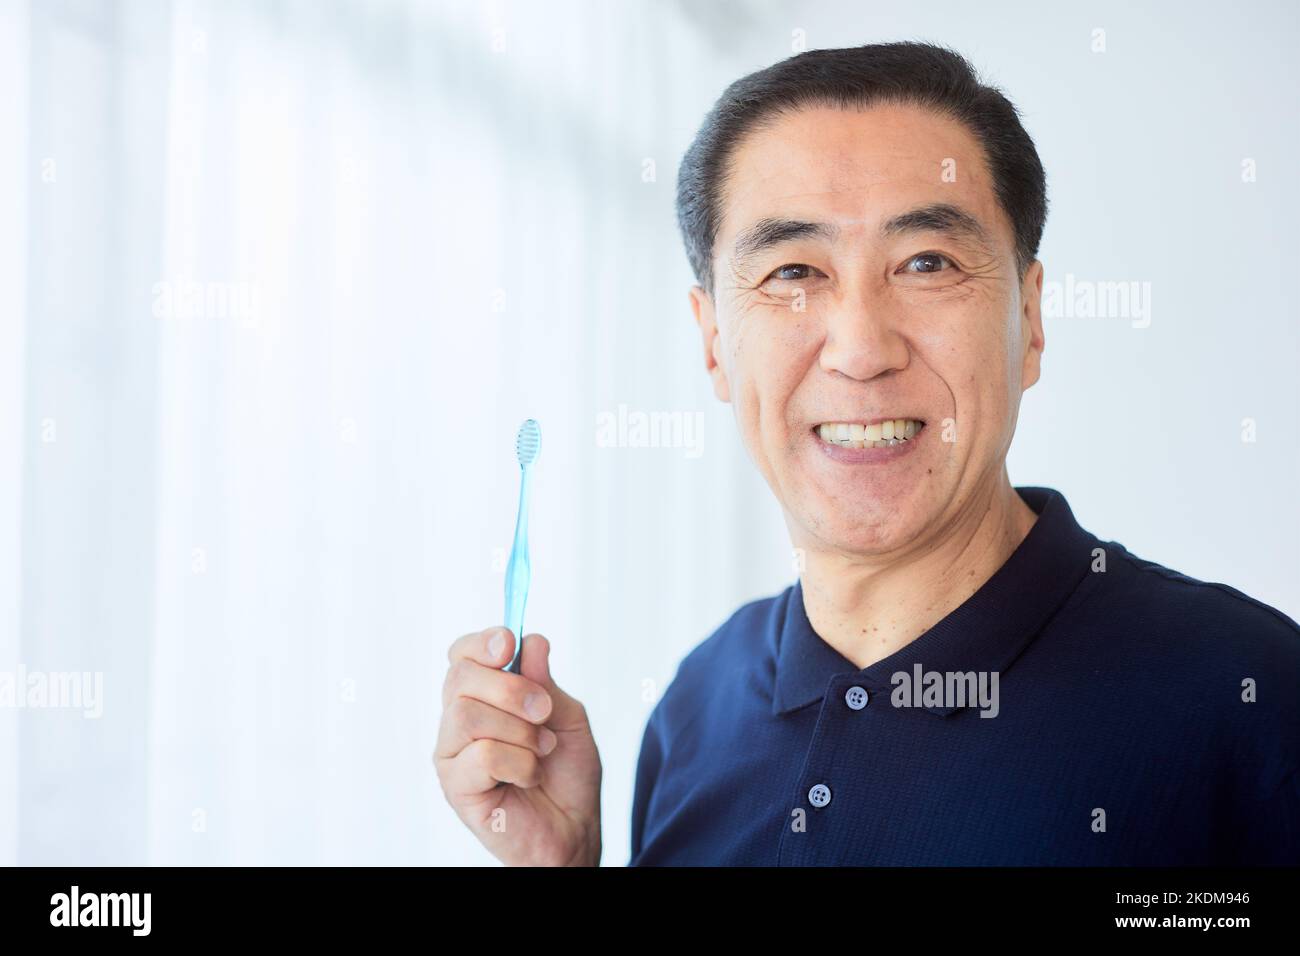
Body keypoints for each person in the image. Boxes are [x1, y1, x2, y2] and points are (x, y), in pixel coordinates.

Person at [434, 41, 1300, 866]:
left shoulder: (1248, 698)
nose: (860, 348)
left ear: (1029, 322)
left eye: (927, 262)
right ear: (712, 346)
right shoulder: (696, 708)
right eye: (793, 273)